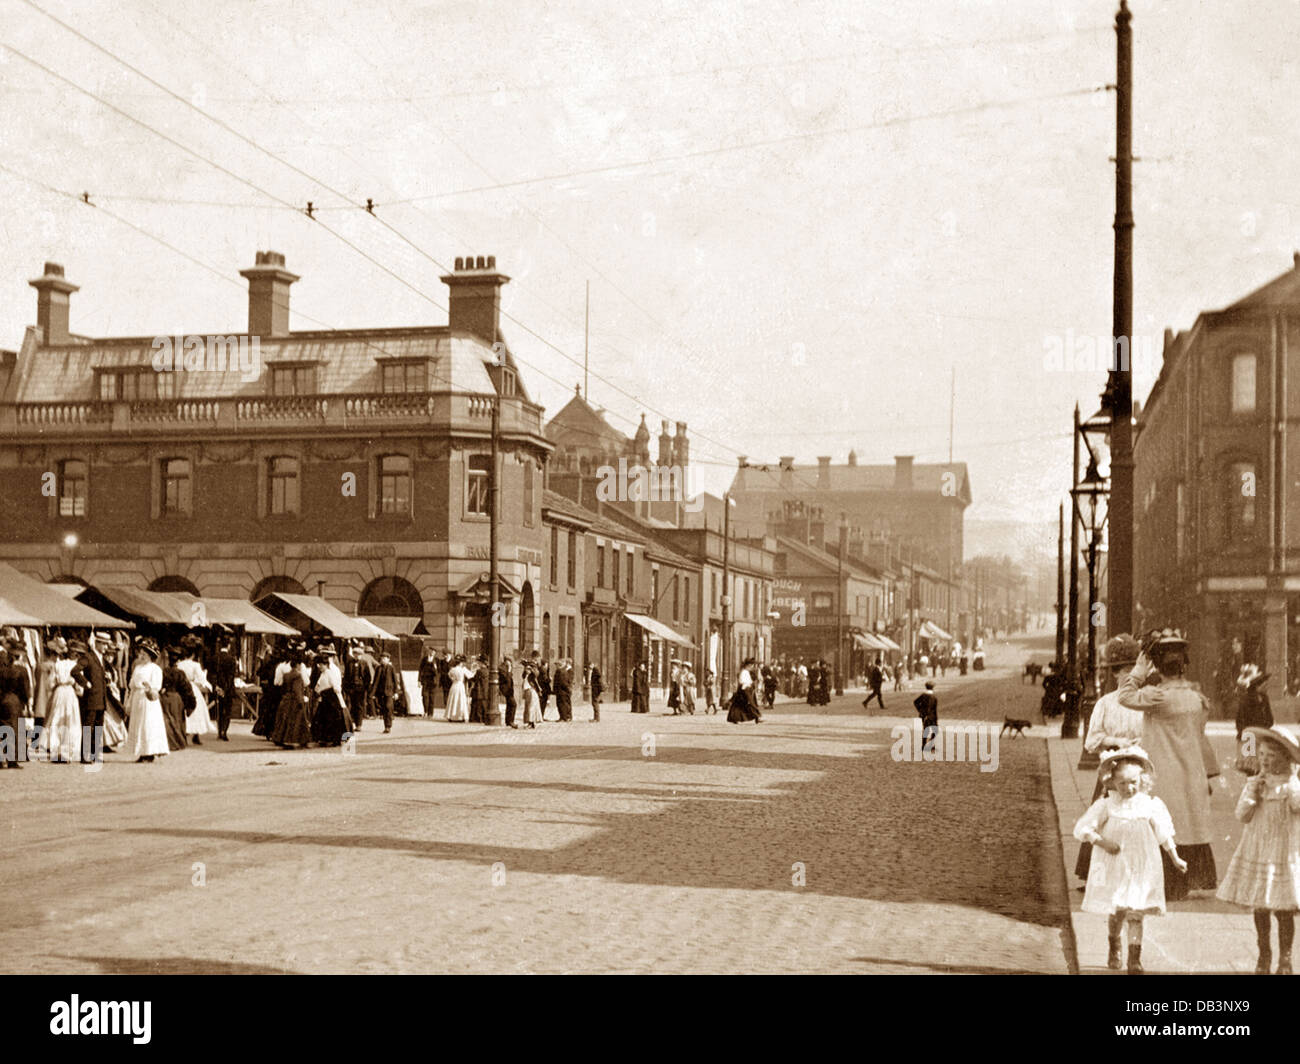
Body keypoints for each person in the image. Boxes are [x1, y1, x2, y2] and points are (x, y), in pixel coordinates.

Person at [1116, 628, 1219, 900]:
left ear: (1158, 666)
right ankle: (1192, 880)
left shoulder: (1157, 696)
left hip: (1165, 770)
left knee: (1164, 824)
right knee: (1189, 823)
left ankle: (1169, 884)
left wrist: (1138, 670)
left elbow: (1124, 696)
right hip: (1192, 770)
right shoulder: (1197, 698)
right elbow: (1200, 736)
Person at [1074, 748, 1186, 973]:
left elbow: (1163, 831)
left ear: (1142, 780)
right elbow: (1083, 828)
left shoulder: (1150, 804)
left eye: (1133, 782)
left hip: (1142, 864)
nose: (1128, 788)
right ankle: (1114, 945)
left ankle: (1134, 958)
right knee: (1118, 910)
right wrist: (1103, 842)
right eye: (1122, 783)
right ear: (1112, 782)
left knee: (1136, 911)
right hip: (1114, 864)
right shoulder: (1106, 805)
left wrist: (1175, 856)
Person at [1217, 725, 1300, 974]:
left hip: (1283, 850)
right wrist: (1253, 790)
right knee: (1260, 905)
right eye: (1262, 755)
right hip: (1257, 847)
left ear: (1286, 759)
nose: (1265, 760)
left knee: (1283, 908)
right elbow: (1242, 815)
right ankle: (1264, 953)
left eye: (1271, 756)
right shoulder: (1255, 783)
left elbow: (1297, 807)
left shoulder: (1291, 785)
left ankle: (1285, 958)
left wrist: (1293, 782)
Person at [1076, 633, 1144, 882]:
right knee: (1105, 819)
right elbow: (1092, 740)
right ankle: (1101, 874)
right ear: (1115, 674)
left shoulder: (1145, 702)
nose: (1127, 675)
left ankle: (1136, 873)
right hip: (1111, 770)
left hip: (1140, 770)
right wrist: (1115, 742)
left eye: (1132, 669)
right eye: (1121, 670)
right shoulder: (1105, 703)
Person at [123, 639, 169, 763]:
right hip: (137, 698)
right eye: (140, 653)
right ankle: (141, 752)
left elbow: (156, 688)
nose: (141, 656)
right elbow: (132, 686)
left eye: (144, 654)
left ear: (150, 655)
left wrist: (149, 688)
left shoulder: (155, 669)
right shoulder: (137, 667)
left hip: (148, 701)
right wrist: (129, 702)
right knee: (138, 725)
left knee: (148, 725)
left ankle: (149, 752)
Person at [42, 638, 82, 763]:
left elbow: (50, 683)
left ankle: (56, 751)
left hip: (59, 692)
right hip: (70, 692)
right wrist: (79, 691)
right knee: (71, 721)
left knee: (56, 720)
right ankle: (69, 751)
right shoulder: (77, 666)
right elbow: (80, 687)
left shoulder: (58, 665)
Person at [310, 646, 351, 746]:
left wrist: (336, 695)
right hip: (326, 697)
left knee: (334, 718)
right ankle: (326, 738)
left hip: (332, 697)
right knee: (324, 718)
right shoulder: (324, 672)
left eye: (321, 664)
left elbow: (336, 686)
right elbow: (318, 685)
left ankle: (335, 738)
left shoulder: (331, 671)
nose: (319, 666)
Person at [177, 639, 214, 745]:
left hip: (182, 687)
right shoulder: (195, 665)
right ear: (193, 654)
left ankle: (183, 734)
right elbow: (201, 678)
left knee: (182, 710)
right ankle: (196, 736)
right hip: (191, 687)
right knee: (196, 709)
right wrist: (208, 685)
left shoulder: (179, 664)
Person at [0, 642, 31, 769]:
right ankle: (12, 759)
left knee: (3, 729)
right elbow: (25, 689)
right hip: (15, 701)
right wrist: (26, 702)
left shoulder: (2, 669)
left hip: (2, 700)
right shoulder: (21, 670)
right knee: (15, 730)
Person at [159, 646, 192, 752]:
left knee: (167, 720)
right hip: (177, 698)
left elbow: (160, 685)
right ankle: (179, 742)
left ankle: (169, 742)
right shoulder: (180, 673)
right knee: (177, 720)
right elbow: (186, 688)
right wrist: (190, 703)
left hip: (165, 697)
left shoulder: (163, 671)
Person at [1234, 665, 1273, 743]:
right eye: (1264, 685)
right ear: (1257, 687)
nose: (1266, 687)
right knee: (1250, 755)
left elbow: (1269, 718)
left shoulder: (1264, 698)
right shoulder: (1246, 698)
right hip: (1249, 736)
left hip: (1261, 734)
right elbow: (1240, 719)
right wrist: (1244, 734)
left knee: (1260, 754)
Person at [212, 639, 238, 741]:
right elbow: (231, 676)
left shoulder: (215, 658)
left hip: (217, 688)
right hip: (228, 689)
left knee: (218, 710)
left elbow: (211, 675)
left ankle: (219, 732)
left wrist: (217, 687)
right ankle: (224, 732)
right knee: (227, 711)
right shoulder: (231, 659)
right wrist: (226, 689)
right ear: (228, 646)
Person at [371, 651, 399, 734]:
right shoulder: (378, 668)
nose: (382, 660)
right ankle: (385, 726)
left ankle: (388, 726)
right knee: (383, 709)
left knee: (388, 707)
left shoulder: (391, 668)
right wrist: (373, 693)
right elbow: (375, 682)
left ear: (388, 659)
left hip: (389, 691)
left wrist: (396, 692)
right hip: (381, 692)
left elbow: (395, 681)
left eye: (384, 658)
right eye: (381, 658)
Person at [446, 655, 471, 722]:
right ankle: (460, 716)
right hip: (460, 685)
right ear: (461, 663)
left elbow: (449, 675)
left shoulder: (452, 669)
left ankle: (451, 716)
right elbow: (470, 675)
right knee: (460, 700)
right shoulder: (463, 669)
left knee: (453, 700)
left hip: (454, 685)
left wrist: (453, 679)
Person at [913, 681, 938, 746]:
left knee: (926, 730)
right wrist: (936, 718)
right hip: (932, 716)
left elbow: (915, 702)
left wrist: (920, 710)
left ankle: (924, 745)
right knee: (934, 730)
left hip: (924, 715)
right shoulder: (934, 697)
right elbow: (934, 709)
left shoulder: (923, 695)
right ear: (932, 688)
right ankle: (931, 745)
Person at [419, 648, 440, 718]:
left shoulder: (437, 660)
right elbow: (420, 670)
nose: (432, 653)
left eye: (433, 652)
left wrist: (435, 668)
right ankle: (425, 711)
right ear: (429, 652)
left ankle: (430, 713)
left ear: (435, 653)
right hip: (425, 680)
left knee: (432, 697)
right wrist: (419, 680)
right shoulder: (424, 659)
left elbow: (438, 672)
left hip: (433, 681)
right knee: (425, 696)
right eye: (431, 651)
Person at [520, 661, 541, 729]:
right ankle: (529, 722)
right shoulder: (526, 676)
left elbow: (535, 678)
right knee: (528, 707)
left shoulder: (532, 676)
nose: (527, 670)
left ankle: (530, 722)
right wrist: (525, 665)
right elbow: (523, 675)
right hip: (528, 692)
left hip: (531, 692)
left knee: (531, 708)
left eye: (529, 669)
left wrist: (531, 667)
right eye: (526, 669)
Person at [500, 657, 517, 728]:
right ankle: (511, 721)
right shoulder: (502, 669)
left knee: (509, 704)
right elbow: (507, 678)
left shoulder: (505, 668)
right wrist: (509, 670)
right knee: (513, 704)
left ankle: (508, 721)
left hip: (509, 690)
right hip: (506, 690)